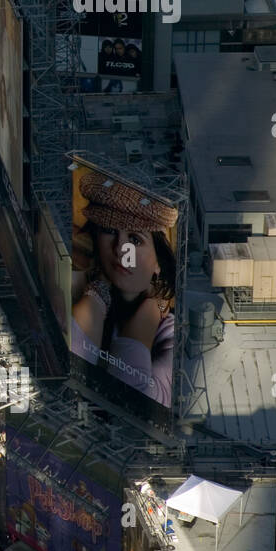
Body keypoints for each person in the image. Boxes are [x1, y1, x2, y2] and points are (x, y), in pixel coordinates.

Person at [69, 171, 177, 405]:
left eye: (135, 239)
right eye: (109, 231)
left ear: (158, 261)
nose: (121, 249)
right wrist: (99, 293)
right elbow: (69, 364)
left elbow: (132, 395)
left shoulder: (173, 335)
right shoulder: (75, 291)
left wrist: (151, 310)